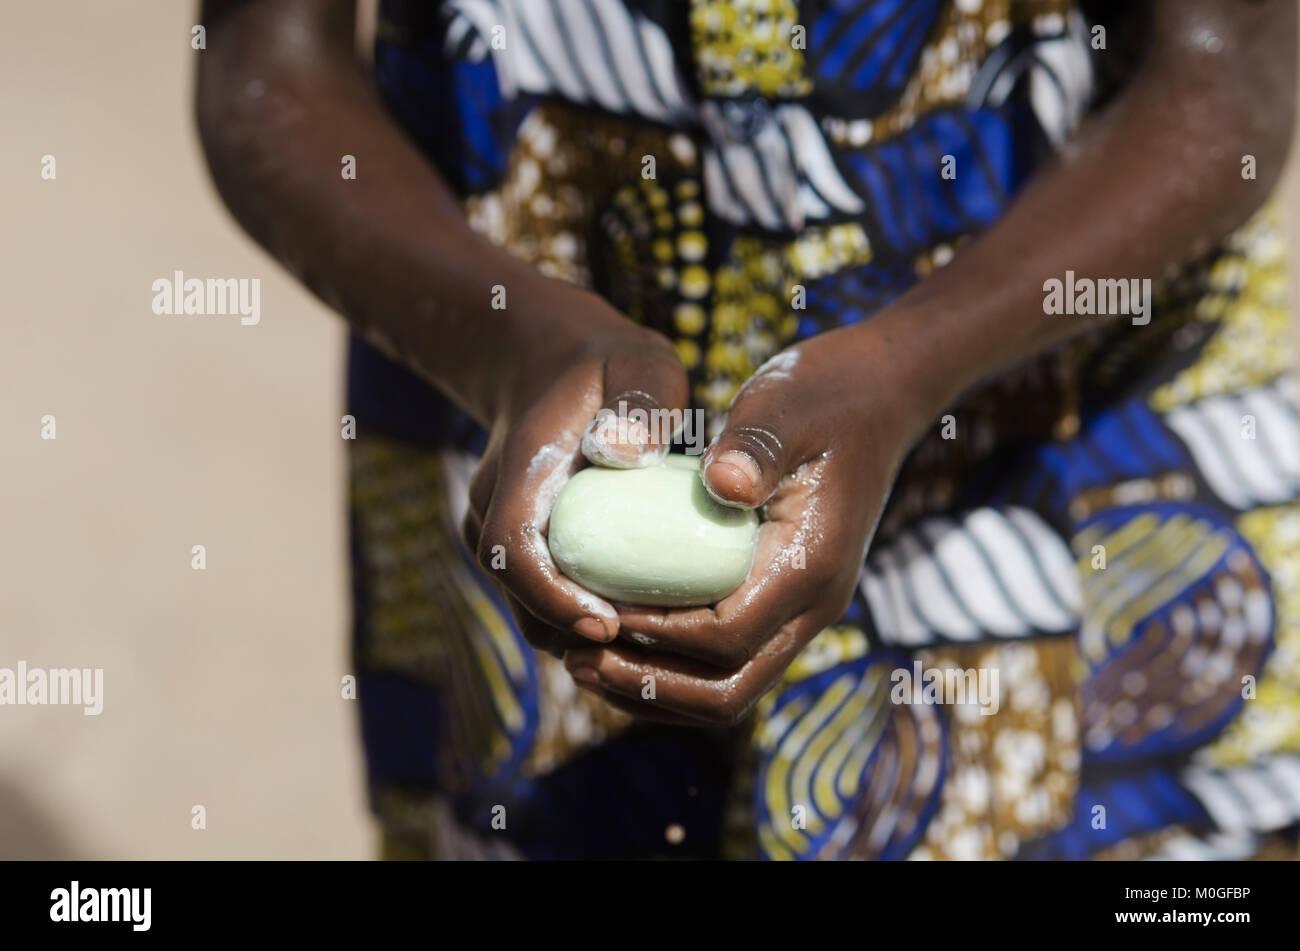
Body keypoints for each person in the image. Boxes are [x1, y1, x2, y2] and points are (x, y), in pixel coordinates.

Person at [196, 0, 1300, 859]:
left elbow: (1228, 74)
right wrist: (506, 342)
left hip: (1067, 414)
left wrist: (909, 367)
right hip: (518, 388)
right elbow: (268, 65)